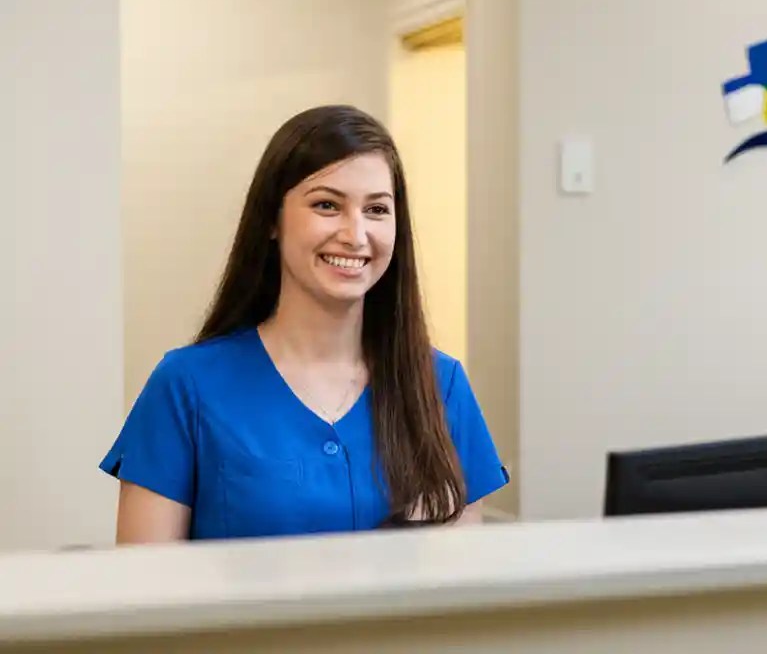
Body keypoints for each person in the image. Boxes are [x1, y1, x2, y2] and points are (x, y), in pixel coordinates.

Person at [100, 105, 508, 543]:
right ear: (272, 220)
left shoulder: (441, 386)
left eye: (376, 210)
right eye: (327, 205)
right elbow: (147, 597)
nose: (355, 235)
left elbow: (462, 588)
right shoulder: (186, 387)